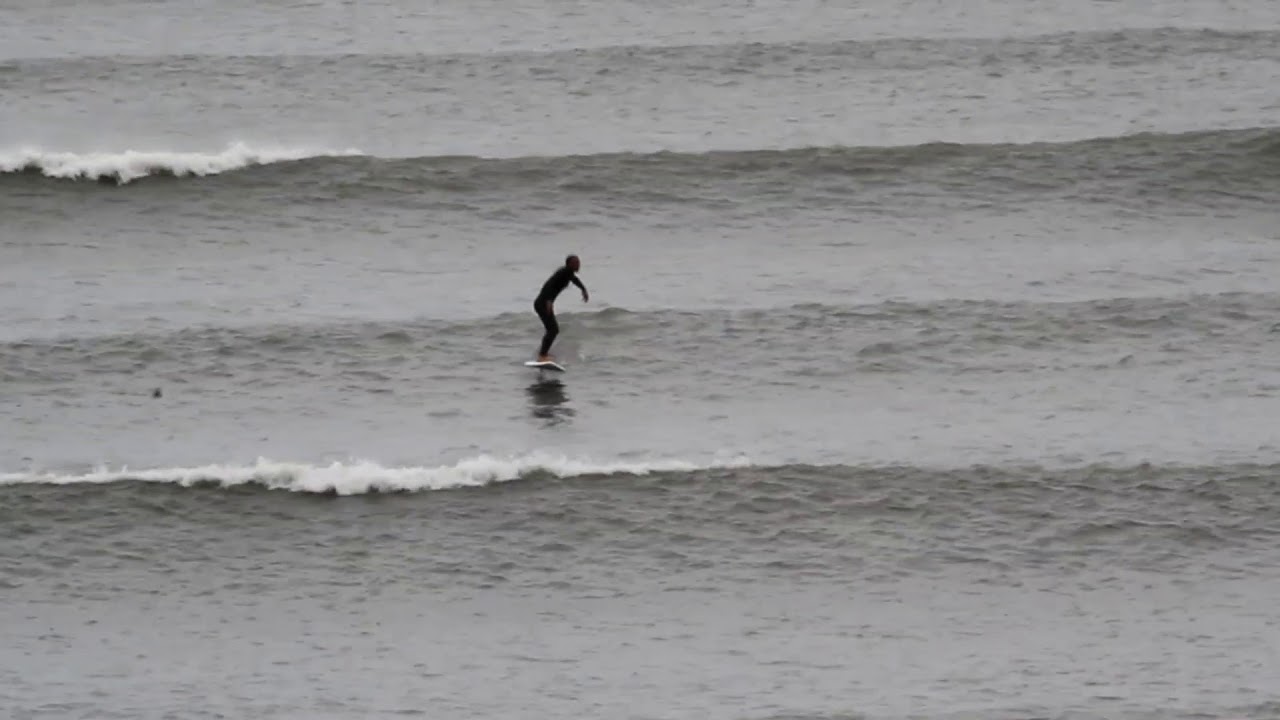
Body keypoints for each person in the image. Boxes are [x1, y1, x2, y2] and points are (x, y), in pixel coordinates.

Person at [534, 254, 588, 361]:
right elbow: (549, 286)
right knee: (553, 330)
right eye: (575, 263)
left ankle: (543, 353)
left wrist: (583, 289)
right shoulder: (562, 272)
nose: (578, 265)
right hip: (542, 304)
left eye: (578, 262)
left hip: (543, 303)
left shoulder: (568, 273)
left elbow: (575, 280)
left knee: (552, 330)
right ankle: (542, 355)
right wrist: (549, 301)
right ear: (569, 264)